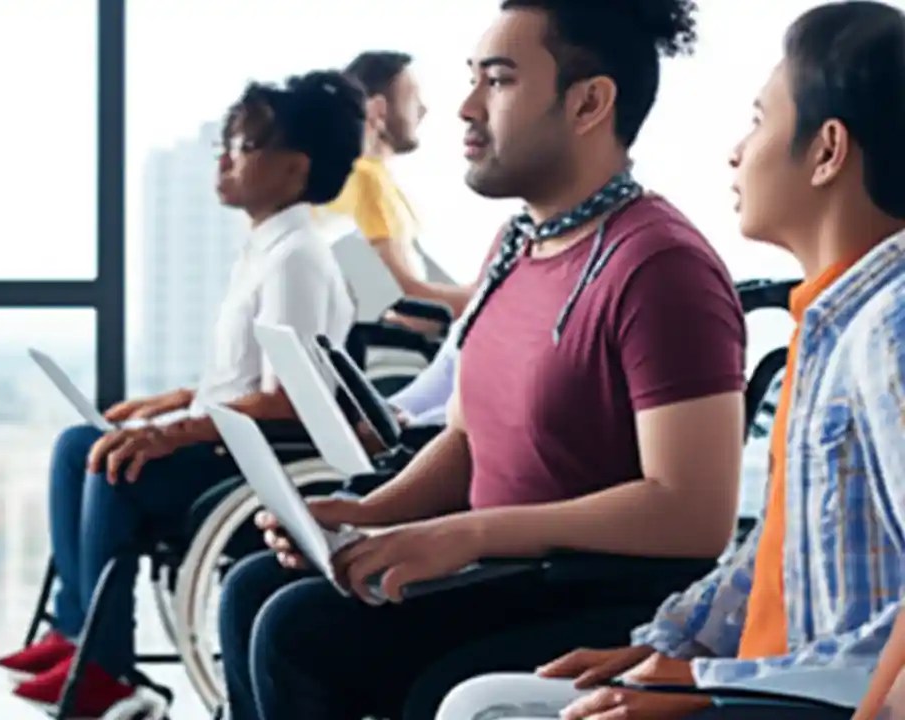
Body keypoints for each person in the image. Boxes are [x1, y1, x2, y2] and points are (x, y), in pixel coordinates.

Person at [217, 1, 752, 718]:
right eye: (472, 79)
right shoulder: (512, 246)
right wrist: (367, 514)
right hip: (508, 570)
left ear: (589, 102)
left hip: (592, 589)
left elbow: (693, 513)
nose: (467, 107)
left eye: (497, 82)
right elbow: (468, 439)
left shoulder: (661, 266)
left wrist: (466, 533)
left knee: (302, 632)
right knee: (252, 587)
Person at [437, 3, 905, 718]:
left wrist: (719, 693)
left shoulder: (889, 330)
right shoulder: (832, 323)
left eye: (757, 119)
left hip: (802, 702)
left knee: (481, 706)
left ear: (827, 150)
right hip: (774, 682)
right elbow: (779, 554)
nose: (735, 151)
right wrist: (670, 648)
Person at [0, 70, 365, 713]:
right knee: (77, 444)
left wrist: (181, 429)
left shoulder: (296, 257)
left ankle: (106, 664)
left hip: (254, 460)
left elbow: (291, 398)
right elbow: (247, 375)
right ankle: (76, 631)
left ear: (294, 170)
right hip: (226, 438)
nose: (224, 159)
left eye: (244, 147)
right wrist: (172, 403)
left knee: (114, 467)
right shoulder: (267, 249)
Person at [321, 51, 475, 331]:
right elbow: (409, 303)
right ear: (379, 109)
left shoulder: (365, 180)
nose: (424, 110)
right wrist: (492, 294)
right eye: (412, 98)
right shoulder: (366, 180)